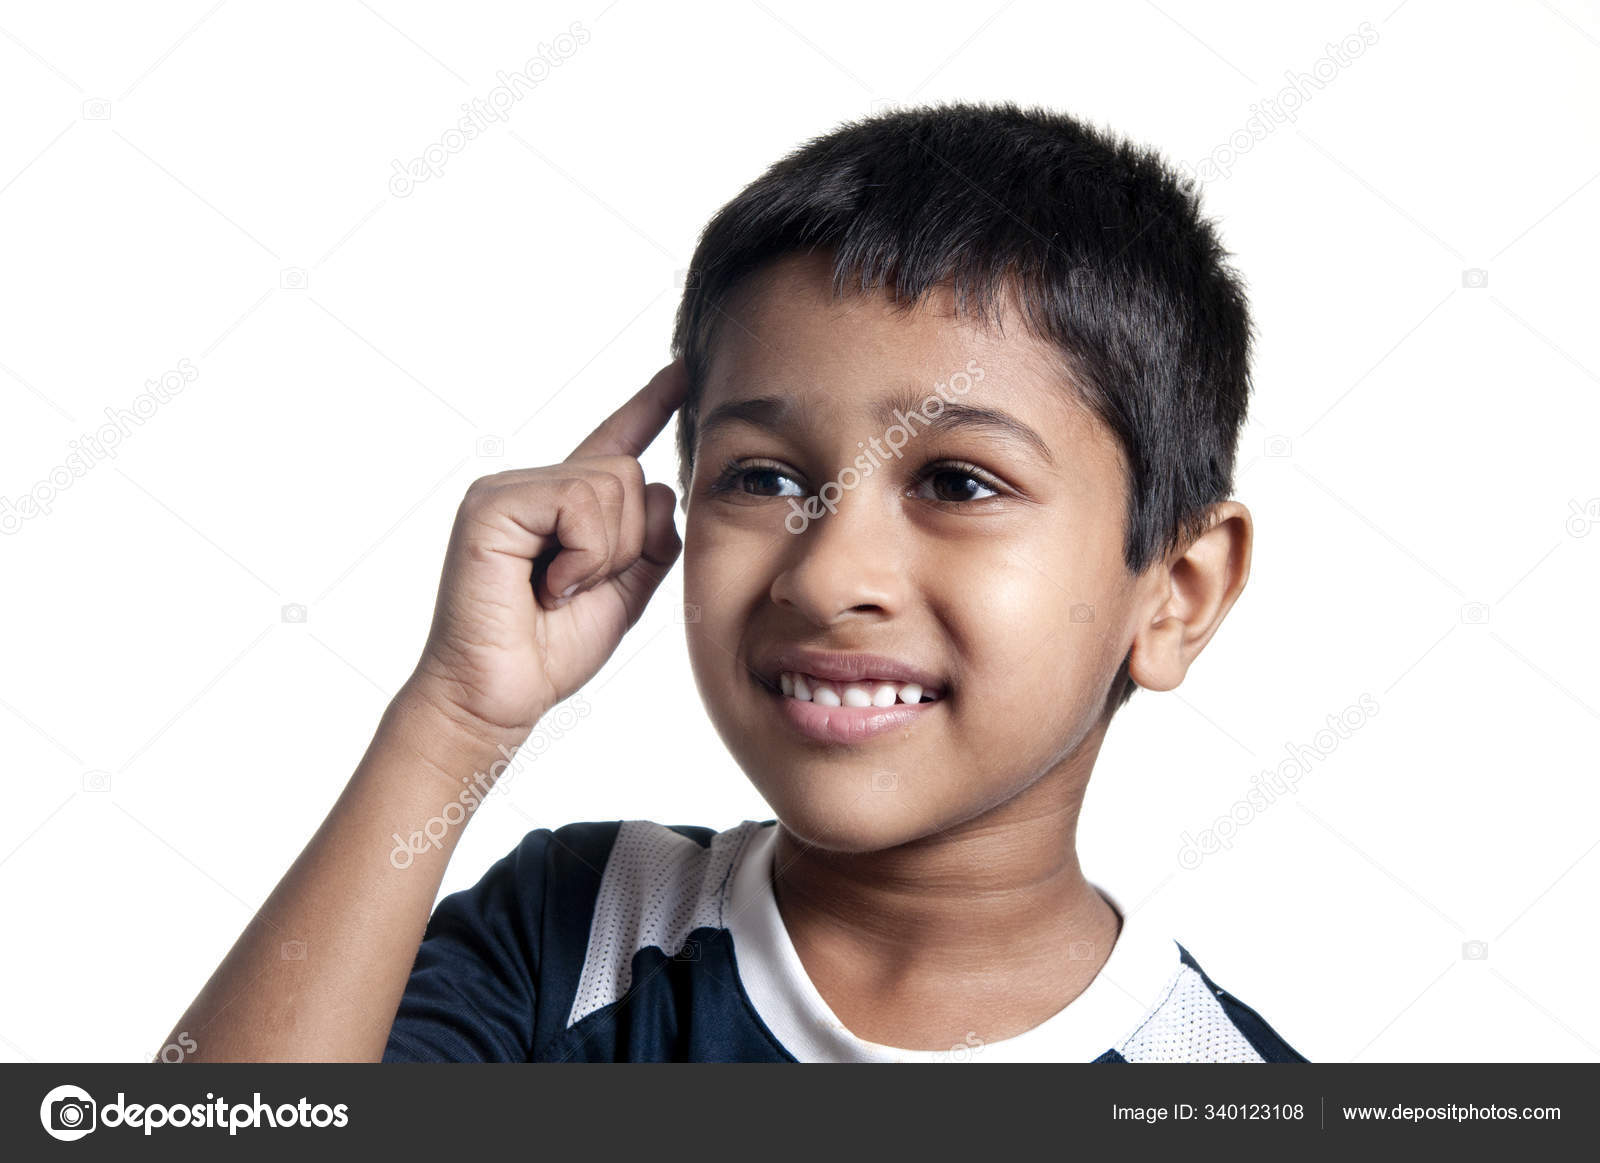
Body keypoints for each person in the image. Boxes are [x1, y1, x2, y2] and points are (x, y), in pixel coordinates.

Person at [163, 100, 1305, 1062]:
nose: (828, 573)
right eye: (762, 476)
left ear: (1179, 591)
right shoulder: (577, 929)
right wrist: (452, 722)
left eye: (957, 483)